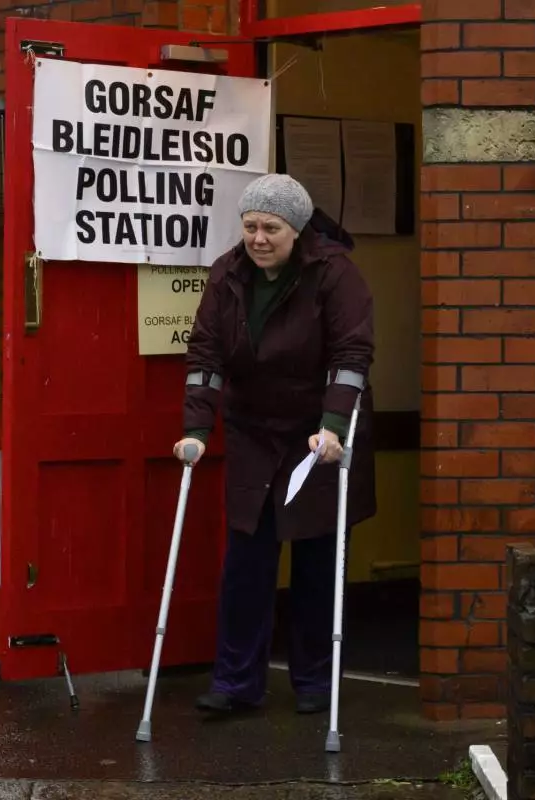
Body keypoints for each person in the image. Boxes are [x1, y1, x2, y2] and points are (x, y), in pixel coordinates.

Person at [174, 173, 376, 715]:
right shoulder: (227, 273)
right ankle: (237, 682)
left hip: (318, 435)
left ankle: (315, 683)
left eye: (271, 228)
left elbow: (351, 356)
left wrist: (333, 424)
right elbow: (206, 357)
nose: (258, 238)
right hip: (253, 430)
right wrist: (195, 430)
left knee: (316, 558)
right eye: (250, 227)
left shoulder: (334, 274)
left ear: (298, 229)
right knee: (247, 558)